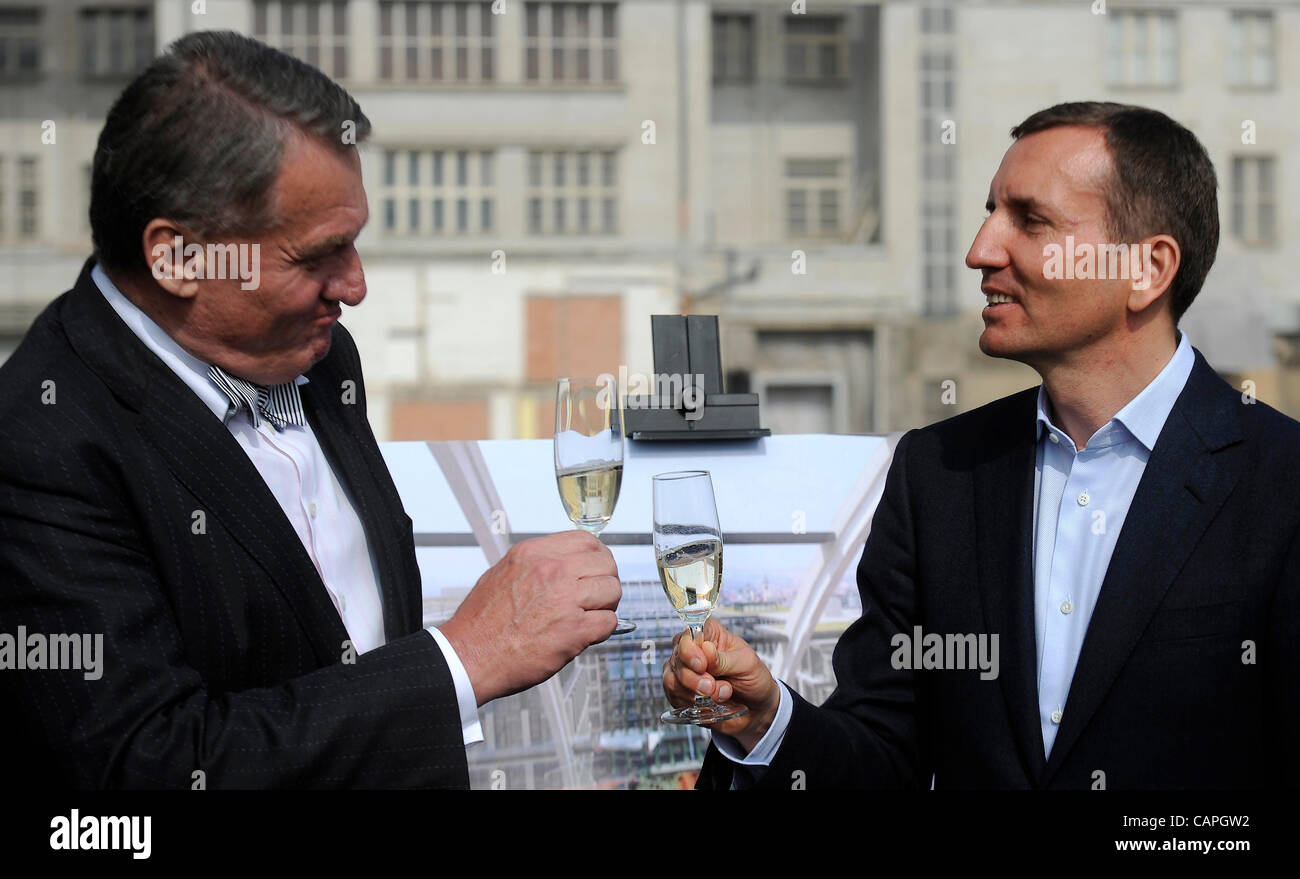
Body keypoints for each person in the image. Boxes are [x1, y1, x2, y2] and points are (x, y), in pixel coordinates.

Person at [0, 31, 621, 789]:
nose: (354, 286)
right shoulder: (37, 442)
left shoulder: (320, 358)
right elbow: (152, 765)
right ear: (178, 257)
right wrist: (463, 658)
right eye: (318, 254)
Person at [664, 102, 1299, 789]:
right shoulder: (938, 475)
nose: (980, 249)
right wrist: (765, 723)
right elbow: (885, 755)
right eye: (990, 211)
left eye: (1030, 220)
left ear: (1148, 268)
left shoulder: (1281, 483)